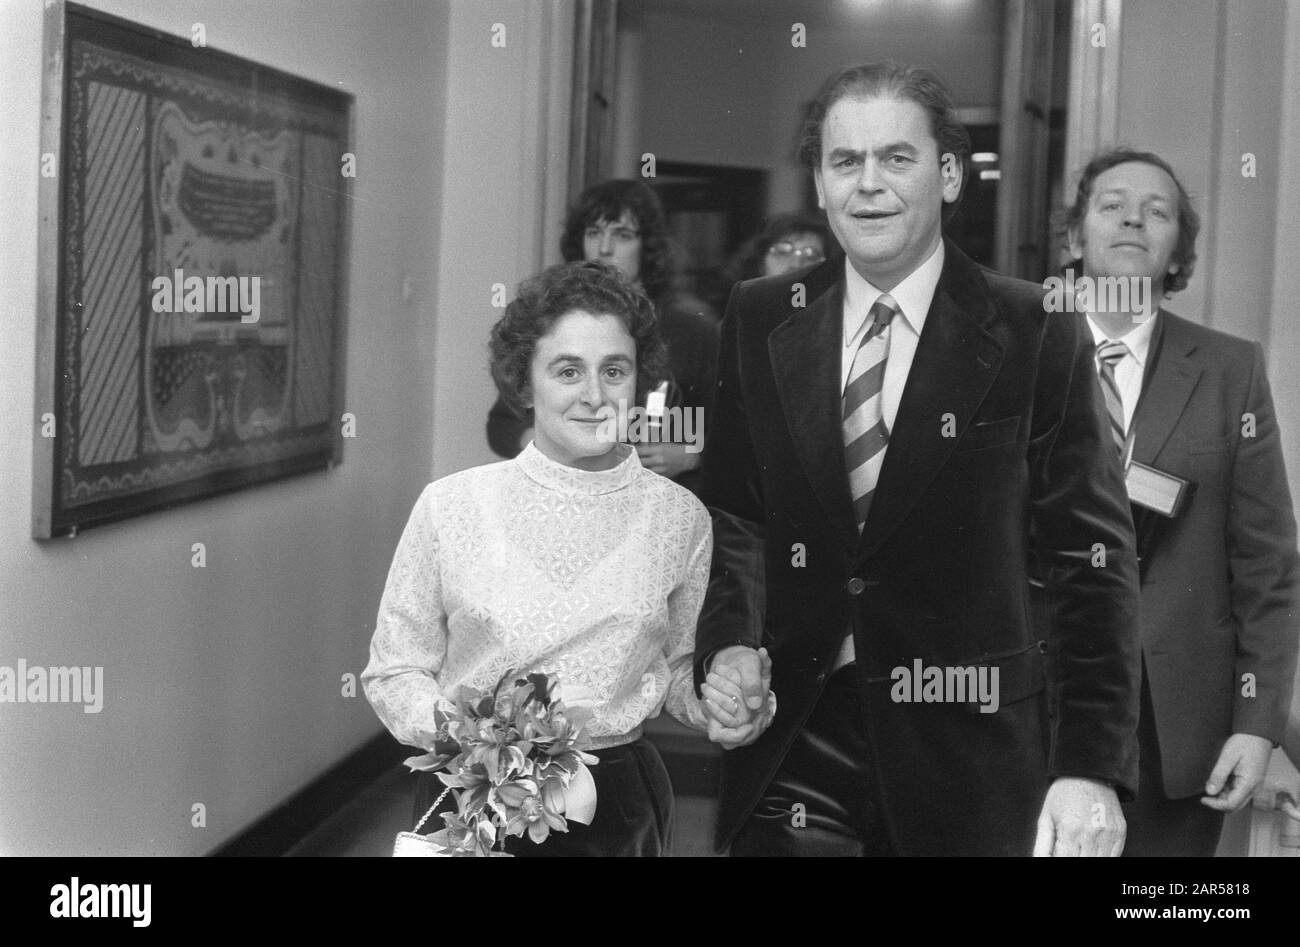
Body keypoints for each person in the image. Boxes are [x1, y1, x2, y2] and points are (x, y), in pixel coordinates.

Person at [693, 60, 1142, 857]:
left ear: (949, 175)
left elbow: (1091, 560)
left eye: (896, 158)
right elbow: (735, 514)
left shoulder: (1037, 328)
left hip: (969, 750)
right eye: (845, 161)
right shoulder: (761, 316)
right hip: (797, 736)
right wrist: (729, 640)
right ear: (822, 184)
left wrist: (1090, 765)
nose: (870, 184)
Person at [363, 261, 752, 857]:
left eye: (614, 370)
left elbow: (678, 668)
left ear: (640, 380)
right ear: (524, 381)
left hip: (619, 810)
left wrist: (720, 699)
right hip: (474, 795)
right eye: (568, 370)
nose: (594, 395)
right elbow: (394, 671)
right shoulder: (452, 505)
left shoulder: (680, 518)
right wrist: (483, 743)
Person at [1059, 147, 1300, 856]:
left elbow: (1268, 567)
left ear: (1177, 253)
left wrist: (1258, 726)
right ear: (1075, 238)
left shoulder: (1231, 370)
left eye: (1157, 211)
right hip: (1027, 716)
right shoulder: (1012, 354)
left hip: (1175, 737)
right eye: (1112, 204)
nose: (1134, 217)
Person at [486, 180, 718, 494]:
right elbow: (501, 424)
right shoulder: (546, 323)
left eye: (622, 235)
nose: (604, 248)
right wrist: (543, 443)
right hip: (565, 496)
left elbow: (735, 433)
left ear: (648, 247)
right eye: (594, 233)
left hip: (658, 501)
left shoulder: (694, 332)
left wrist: (694, 454)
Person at [732, 213, 832, 281]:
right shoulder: (732, 308)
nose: (796, 265)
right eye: (783, 251)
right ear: (761, 260)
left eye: (811, 256)